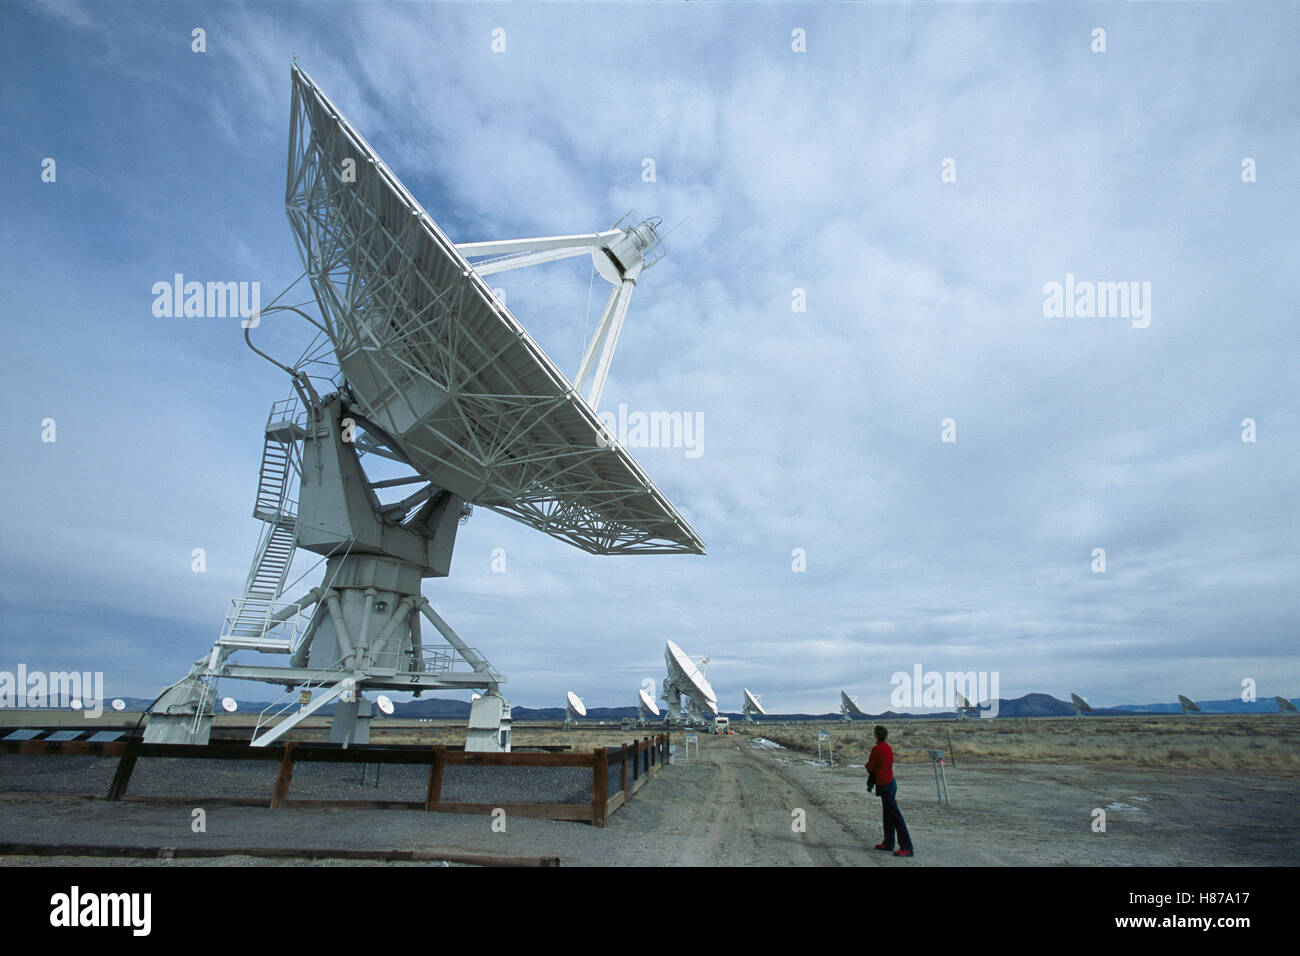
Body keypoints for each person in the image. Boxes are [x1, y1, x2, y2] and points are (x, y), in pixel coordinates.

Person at [865, 724, 914, 857]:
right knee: (888, 815)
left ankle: (907, 847)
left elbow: (870, 766)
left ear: (876, 735)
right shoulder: (887, 747)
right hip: (890, 782)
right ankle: (888, 842)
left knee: (895, 816)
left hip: (884, 783)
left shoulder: (877, 749)